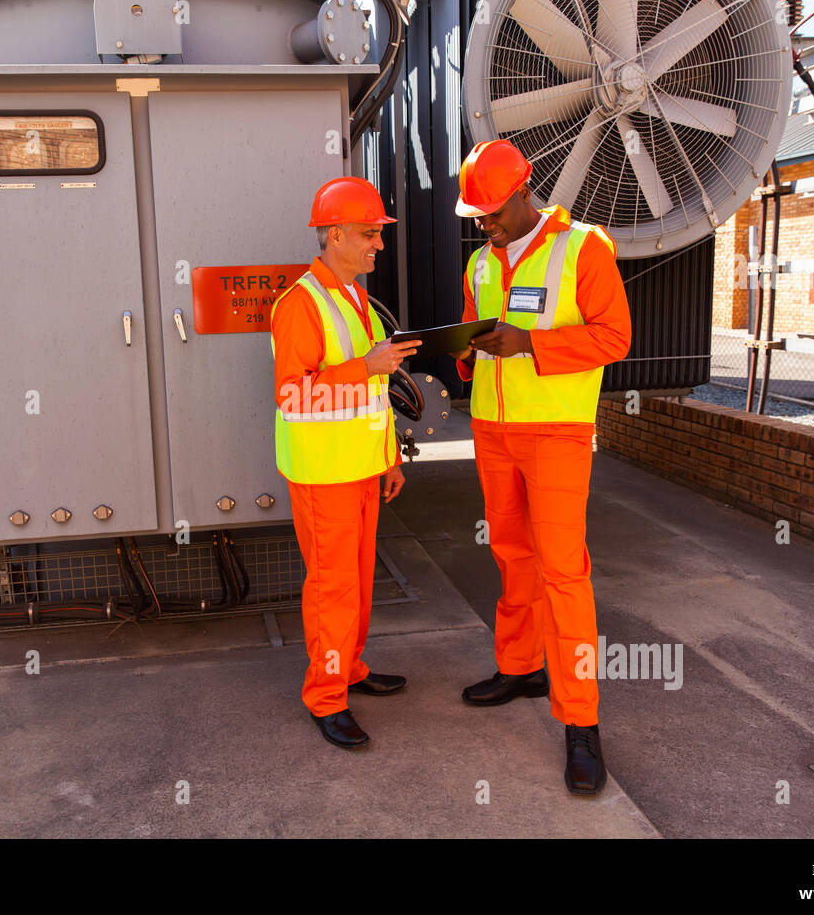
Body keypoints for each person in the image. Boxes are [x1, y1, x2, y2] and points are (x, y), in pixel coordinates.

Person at [450, 140, 631, 795]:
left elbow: (615, 336)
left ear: (524, 194)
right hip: (493, 430)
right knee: (510, 553)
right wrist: (463, 352)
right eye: (477, 215)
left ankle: (581, 722)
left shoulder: (584, 248)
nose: (484, 225)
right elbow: (473, 330)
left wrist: (530, 343)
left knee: (563, 571)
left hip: (555, 431)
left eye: (492, 212)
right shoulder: (479, 263)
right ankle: (521, 664)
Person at [270, 176, 421, 749]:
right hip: (322, 476)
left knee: (356, 583)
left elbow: (372, 396)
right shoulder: (300, 305)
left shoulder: (354, 300)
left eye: (378, 234)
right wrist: (370, 365)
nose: (377, 245)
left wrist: (388, 460)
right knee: (333, 588)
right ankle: (326, 696)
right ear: (333, 235)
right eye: (368, 234)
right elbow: (294, 396)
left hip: (358, 471)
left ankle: (350, 670)